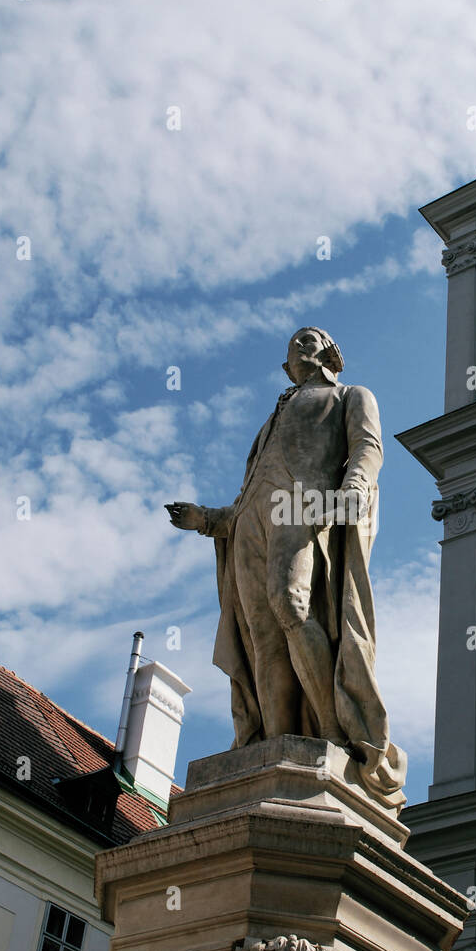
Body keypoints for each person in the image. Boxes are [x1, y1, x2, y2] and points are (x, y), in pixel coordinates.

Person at [167, 326, 406, 811]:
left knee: (290, 601)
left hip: (304, 505)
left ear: (332, 353)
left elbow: (367, 446)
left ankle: (333, 730)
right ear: (284, 366)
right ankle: (274, 747)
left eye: (311, 338)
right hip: (252, 520)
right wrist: (208, 520)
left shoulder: (350, 395)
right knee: (260, 634)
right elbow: (249, 489)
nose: (300, 344)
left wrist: (354, 488)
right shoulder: (270, 419)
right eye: (294, 341)